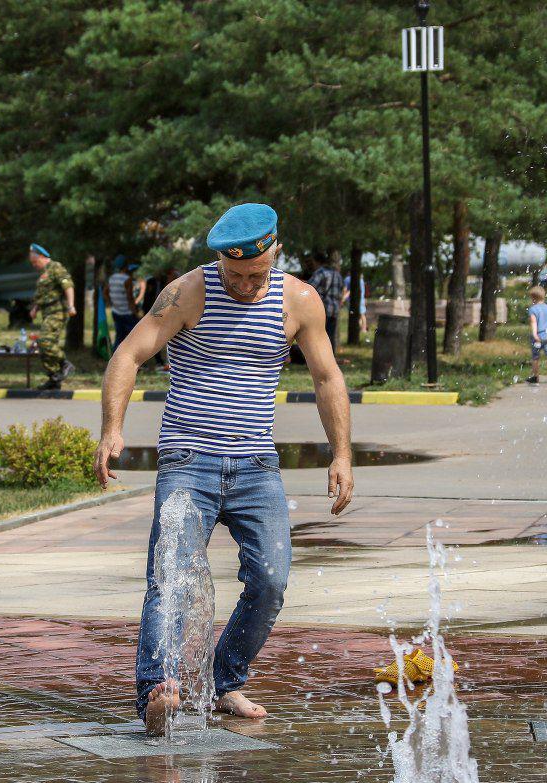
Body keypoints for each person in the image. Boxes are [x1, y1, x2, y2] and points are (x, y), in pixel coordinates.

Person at [93, 202, 354, 735]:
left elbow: (327, 378)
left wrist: (342, 454)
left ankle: (224, 679)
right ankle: (157, 691)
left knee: (271, 579)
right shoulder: (190, 292)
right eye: (232, 273)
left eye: (253, 273)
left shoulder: (300, 301)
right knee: (171, 576)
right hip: (188, 460)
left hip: (258, 466)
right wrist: (112, 428)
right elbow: (128, 354)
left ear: (273, 250)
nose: (242, 283)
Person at [28, 243, 77, 390]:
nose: (34, 266)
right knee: (44, 347)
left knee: (44, 341)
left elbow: (67, 285)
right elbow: (43, 294)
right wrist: (35, 308)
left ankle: (64, 363)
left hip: (57, 312)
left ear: (42, 257)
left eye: (35, 262)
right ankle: (54, 378)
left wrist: (71, 305)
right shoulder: (44, 272)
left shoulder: (56, 267)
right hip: (47, 312)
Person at [309, 251, 346, 352]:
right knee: (331, 335)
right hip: (335, 310)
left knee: (320, 335)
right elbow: (342, 290)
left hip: (323, 309)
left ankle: (320, 357)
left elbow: (310, 288)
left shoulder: (320, 273)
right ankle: (331, 357)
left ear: (317, 262)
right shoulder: (337, 274)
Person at [105, 255, 140, 350]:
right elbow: (130, 298)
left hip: (115, 312)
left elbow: (105, 292)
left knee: (119, 336)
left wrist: (111, 303)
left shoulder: (112, 278)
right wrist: (135, 313)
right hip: (127, 313)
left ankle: (114, 359)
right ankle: (136, 360)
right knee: (135, 336)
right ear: (126, 266)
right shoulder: (127, 279)